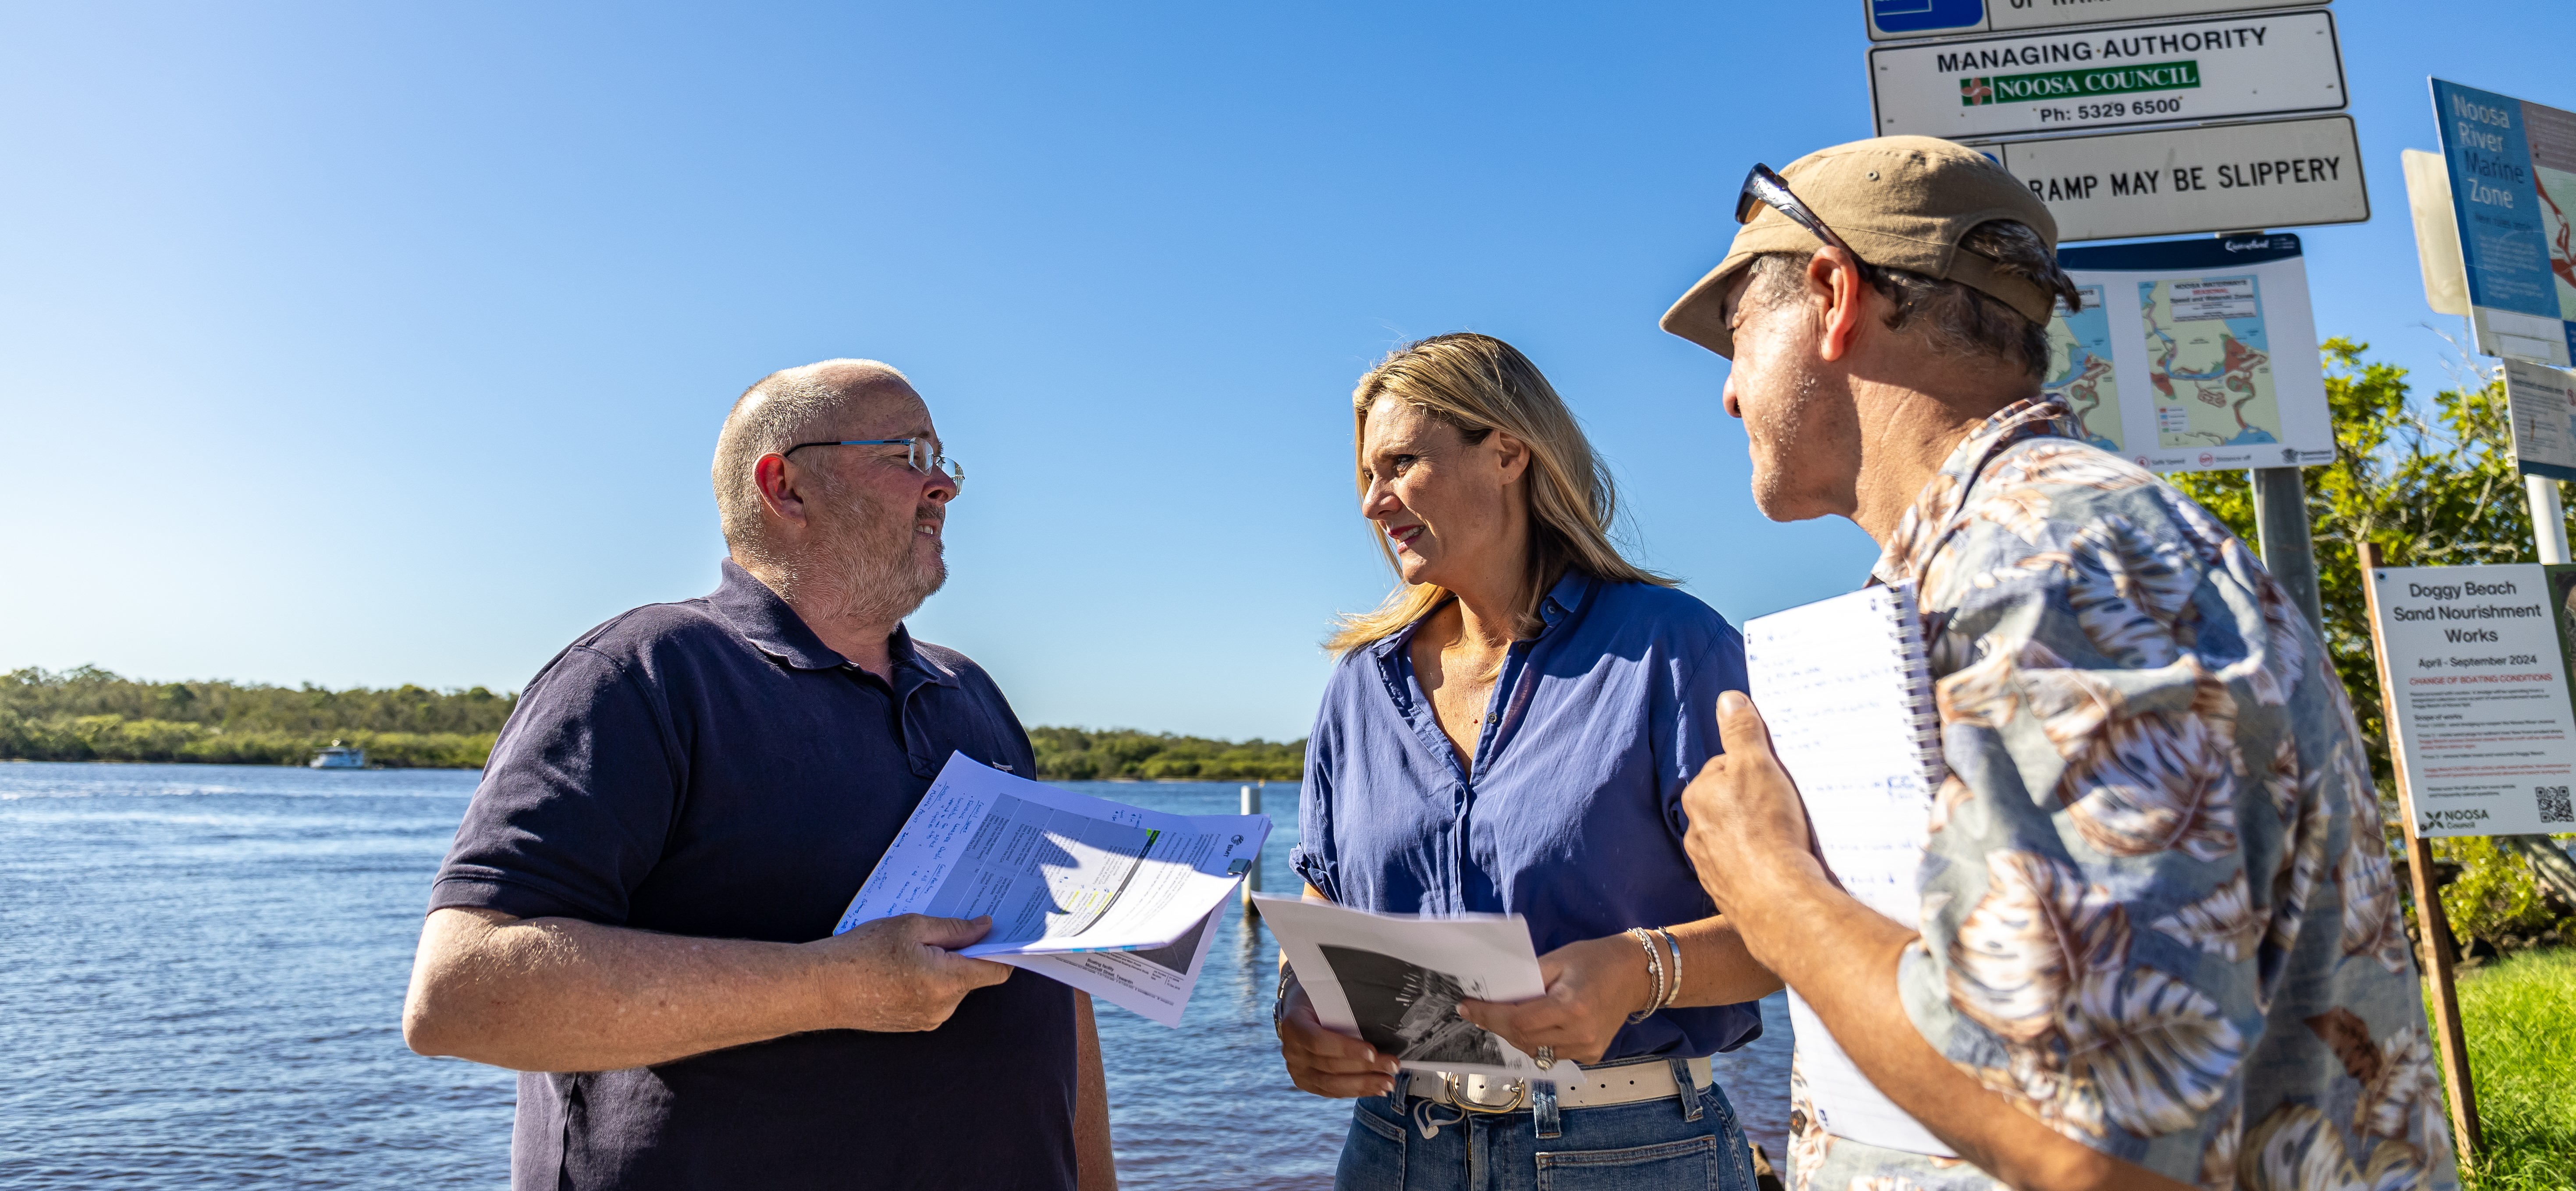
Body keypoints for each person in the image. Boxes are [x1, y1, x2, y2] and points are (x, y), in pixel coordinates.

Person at [1659, 136, 2454, 1191]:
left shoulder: (2043, 567)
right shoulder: (2021, 555)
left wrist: (1774, 893)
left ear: (1831, 292)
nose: (1725, 396)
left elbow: (2085, 1145)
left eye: (1737, 337)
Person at [402, 360, 1116, 1191]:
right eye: (906, 454)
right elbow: (460, 992)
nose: (941, 488)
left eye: (942, 461)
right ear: (785, 486)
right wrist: (837, 985)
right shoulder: (647, 673)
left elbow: (1057, 986)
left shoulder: (974, 696)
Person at [1277, 332, 1785, 1191]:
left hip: (1633, 1156)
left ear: (1507, 450)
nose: (1372, 502)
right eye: (1366, 474)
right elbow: (1323, 905)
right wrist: (1297, 1008)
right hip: (1394, 1150)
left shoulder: (1673, 651)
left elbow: (1790, 932)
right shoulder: (1358, 688)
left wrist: (1638, 972)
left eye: (1400, 463)